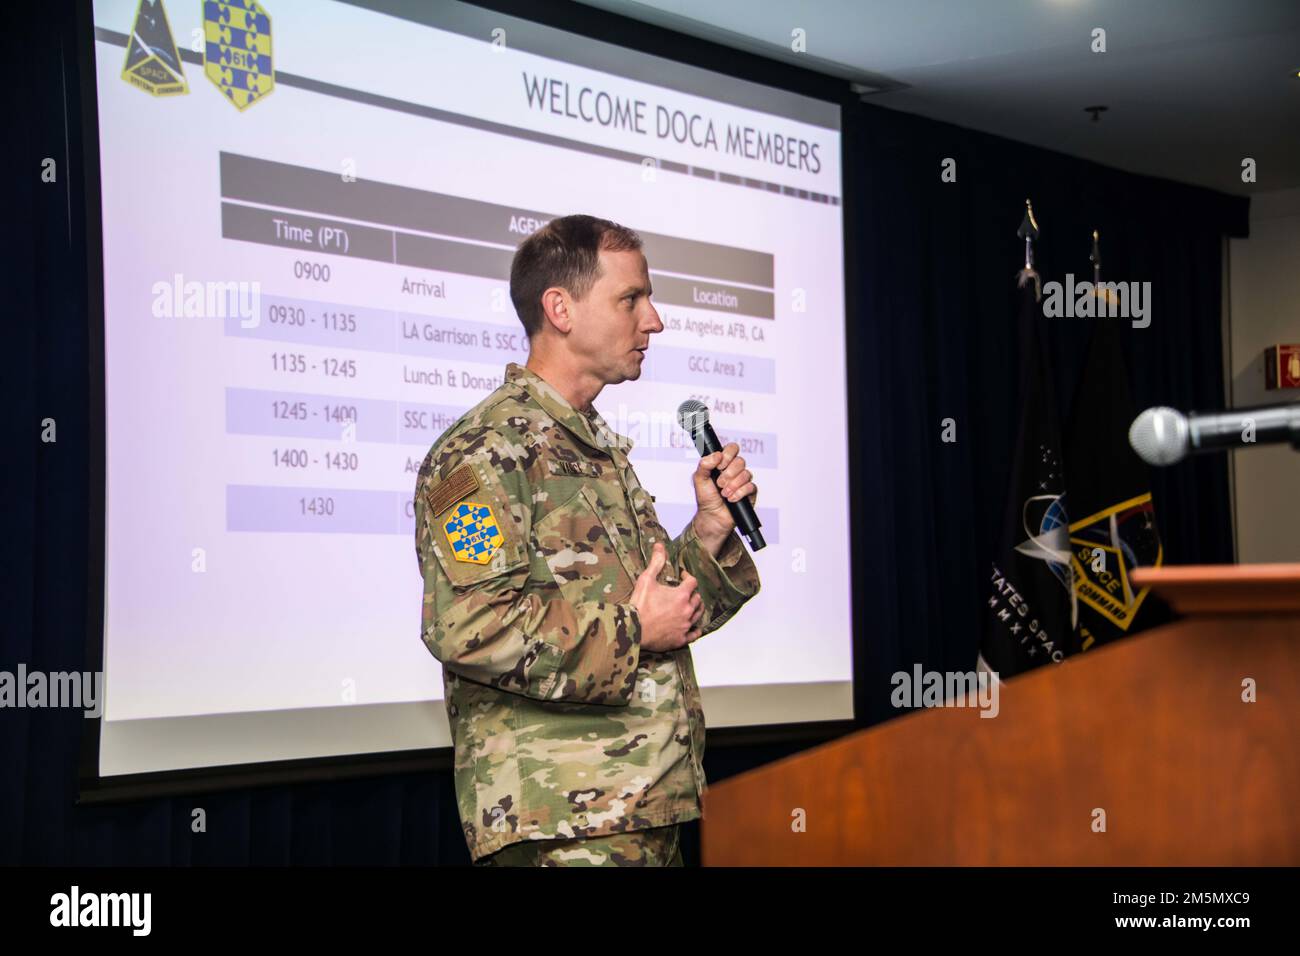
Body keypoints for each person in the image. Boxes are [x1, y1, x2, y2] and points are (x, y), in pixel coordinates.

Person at [414, 214, 761, 866]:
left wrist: (712, 530)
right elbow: (470, 626)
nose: (653, 320)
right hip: (559, 826)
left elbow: (665, 610)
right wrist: (634, 629)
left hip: (645, 811)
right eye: (631, 299)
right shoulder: (479, 454)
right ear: (561, 309)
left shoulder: (596, 449)